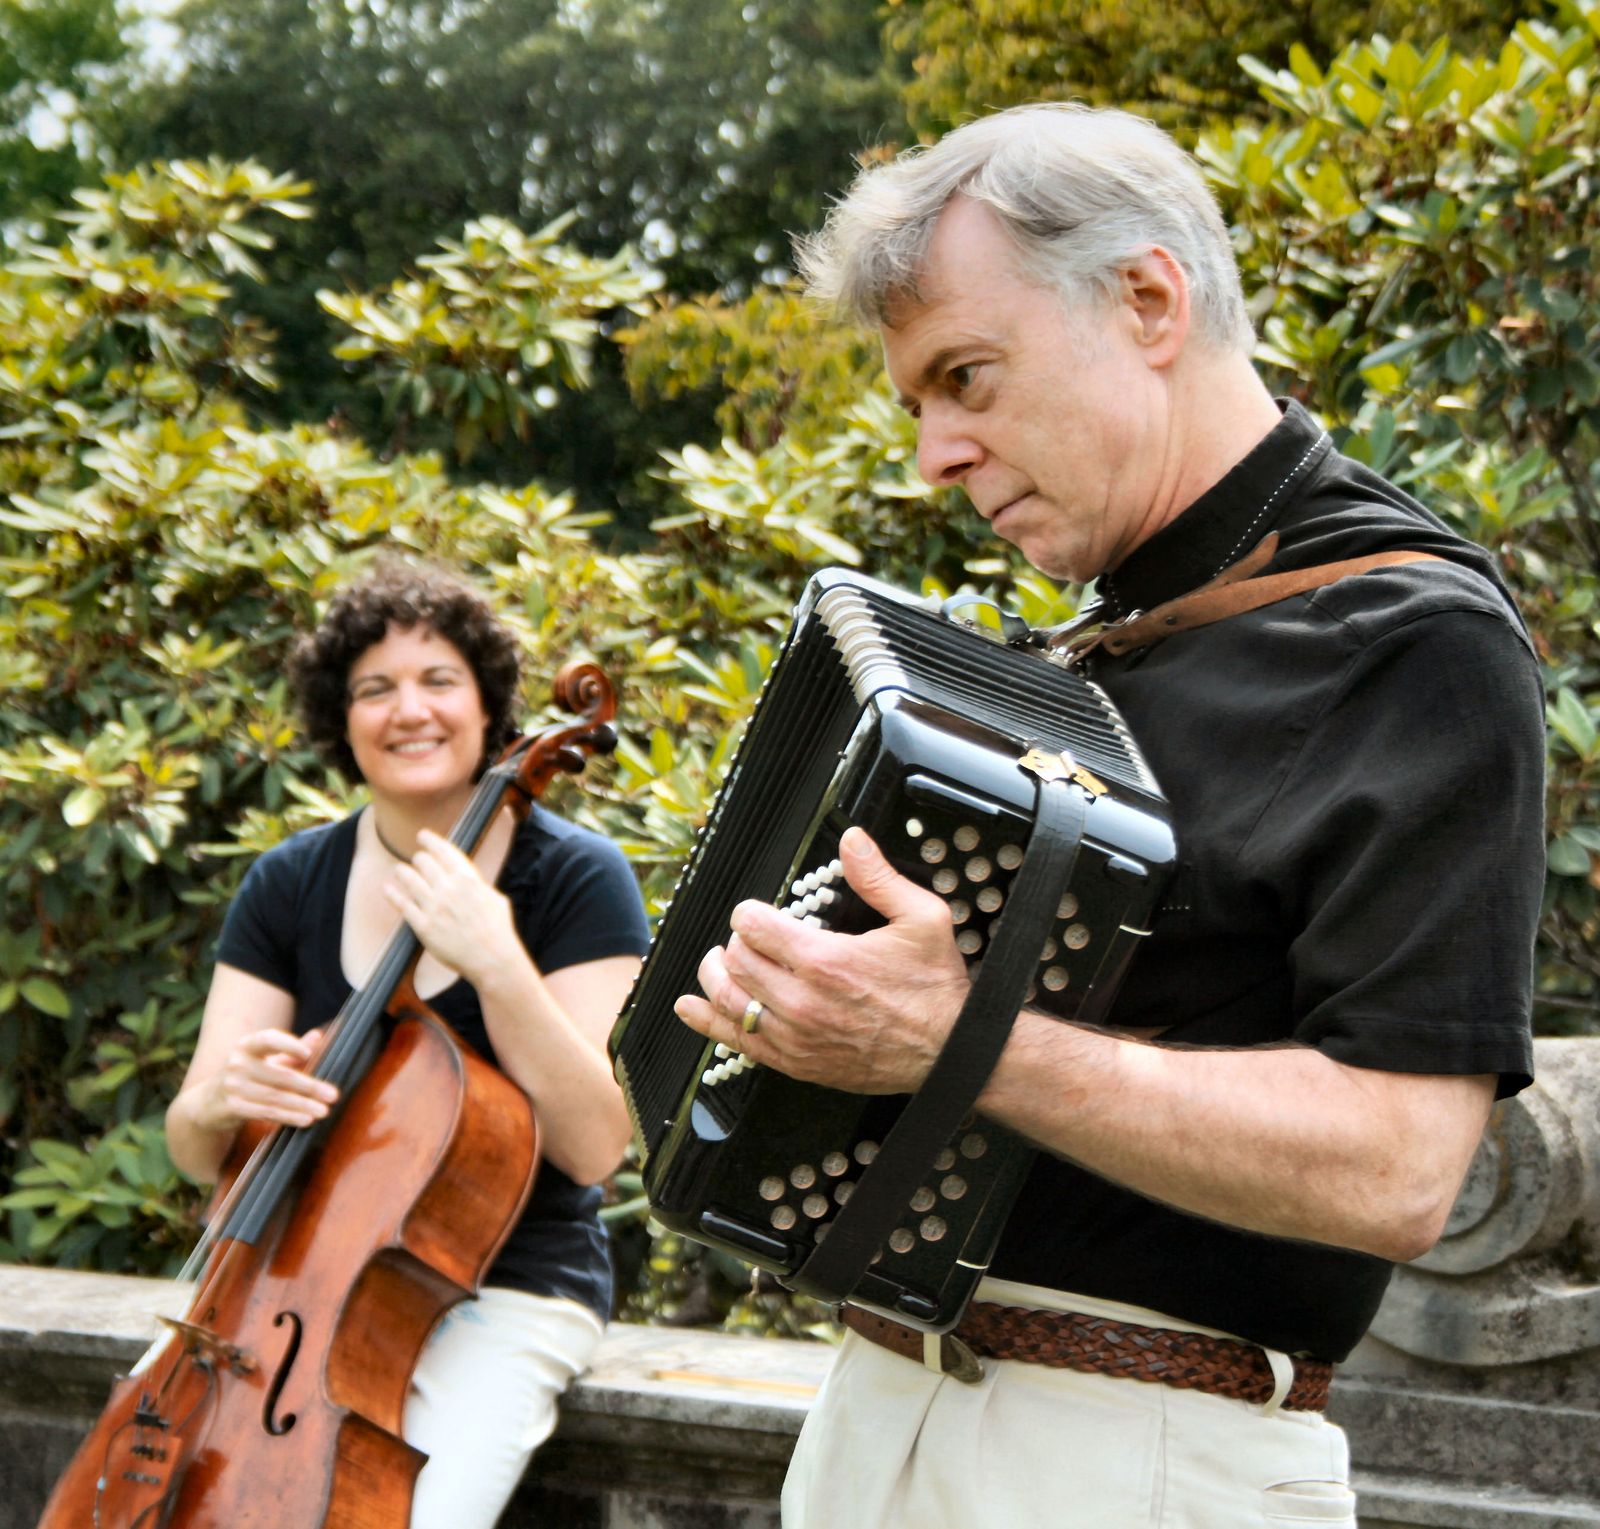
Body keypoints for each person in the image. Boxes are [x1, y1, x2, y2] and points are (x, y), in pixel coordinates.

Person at [673, 104, 1545, 1527]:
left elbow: (1399, 1166)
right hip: (880, 1419)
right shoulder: (1110, 644)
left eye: (969, 376)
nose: (935, 453)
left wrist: (960, 1041)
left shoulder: (1413, 640)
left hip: (1140, 1457)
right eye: (916, 404)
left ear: (1147, 299)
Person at [165, 558, 650, 1529]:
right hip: (286, 1279)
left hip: (503, 1288)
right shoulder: (288, 880)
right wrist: (229, 1097)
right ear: (341, 721)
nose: (408, 710)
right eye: (374, 688)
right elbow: (190, 1138)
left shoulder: (578, 879)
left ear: (487, 708)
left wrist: (496, 960)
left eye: (438, 680)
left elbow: (598, 1144)